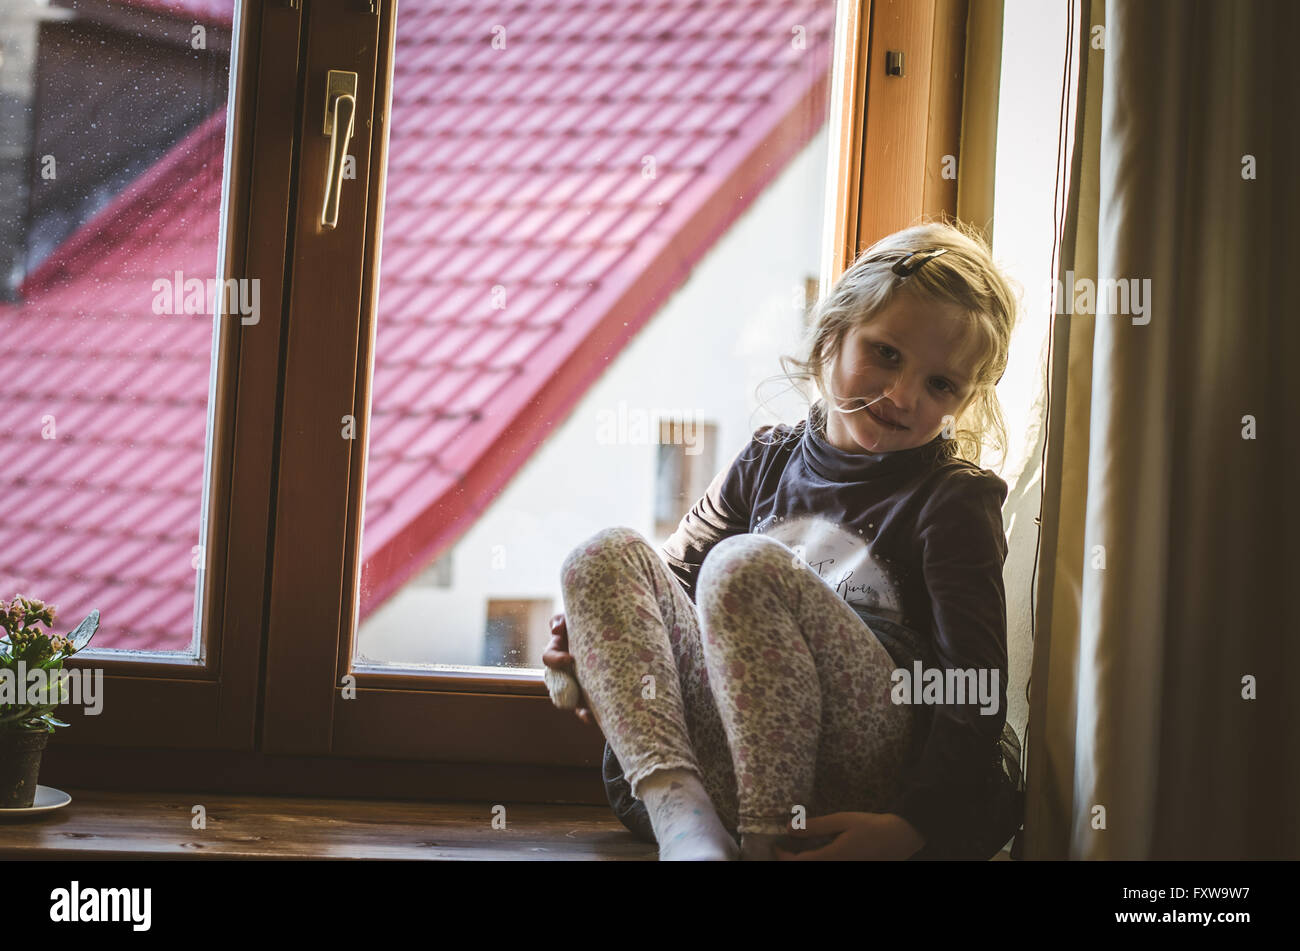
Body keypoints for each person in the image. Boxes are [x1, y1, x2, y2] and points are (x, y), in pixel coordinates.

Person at [545, 218, 1025, 860]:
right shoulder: (768, 460)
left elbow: (976, 686)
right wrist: (597, 643)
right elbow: (668, 585)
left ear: (963, 404)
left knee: (743, 565)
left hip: (861, 778)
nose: (903, 394)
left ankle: (771, 843)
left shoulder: (952, 499)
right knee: (600, 557)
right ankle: (682, 821)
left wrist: (913, 828)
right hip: (731, 762)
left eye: (941, 384)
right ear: (833, 335)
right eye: (886, 352)